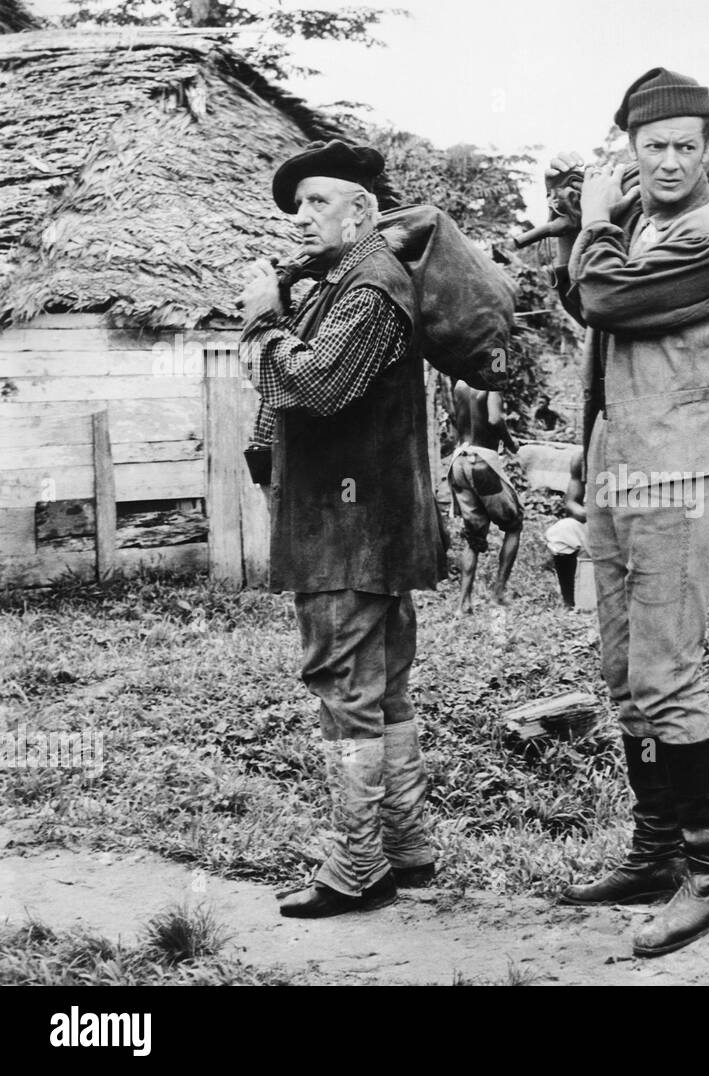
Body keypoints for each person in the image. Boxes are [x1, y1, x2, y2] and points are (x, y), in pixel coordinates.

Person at [546, 67, 709, 957]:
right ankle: (656, 850)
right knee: (623, 669)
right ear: (630, 150)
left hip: (676, 472)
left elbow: (602, 296)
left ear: (708, 147)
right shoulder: (647, 222)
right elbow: (586, 310)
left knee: (667, 675)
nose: (671, 161)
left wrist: (596, 221)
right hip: (618, 467)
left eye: (686, 146)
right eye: (654, 147)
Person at [239, 139, 439, 918]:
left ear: (361, 211)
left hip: (347, 528)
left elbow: (316, 385)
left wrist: (261, 327)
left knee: (343, 690)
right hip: (371, 522)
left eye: (317, 202)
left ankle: (357, 866)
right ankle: (408, 847)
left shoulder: (370, 286)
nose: (301, 216)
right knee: (383, 688)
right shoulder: (340, 283)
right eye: (296, 205)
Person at [449, 379, 524, 614]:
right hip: (481, 462)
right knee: (514, 524)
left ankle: (463, 604)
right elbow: (494, 419)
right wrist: (512, 445)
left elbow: (457, 424)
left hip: (458, 461)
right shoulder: (490, 384)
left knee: (473, 536)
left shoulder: (459, 385)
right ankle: (498, 593)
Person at [544, 446, 588, 607]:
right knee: (561, 531)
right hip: (597, 525)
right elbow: (571, 503)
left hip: (635, 528)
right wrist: (594, 517)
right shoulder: (582, 457)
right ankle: (570, 602)